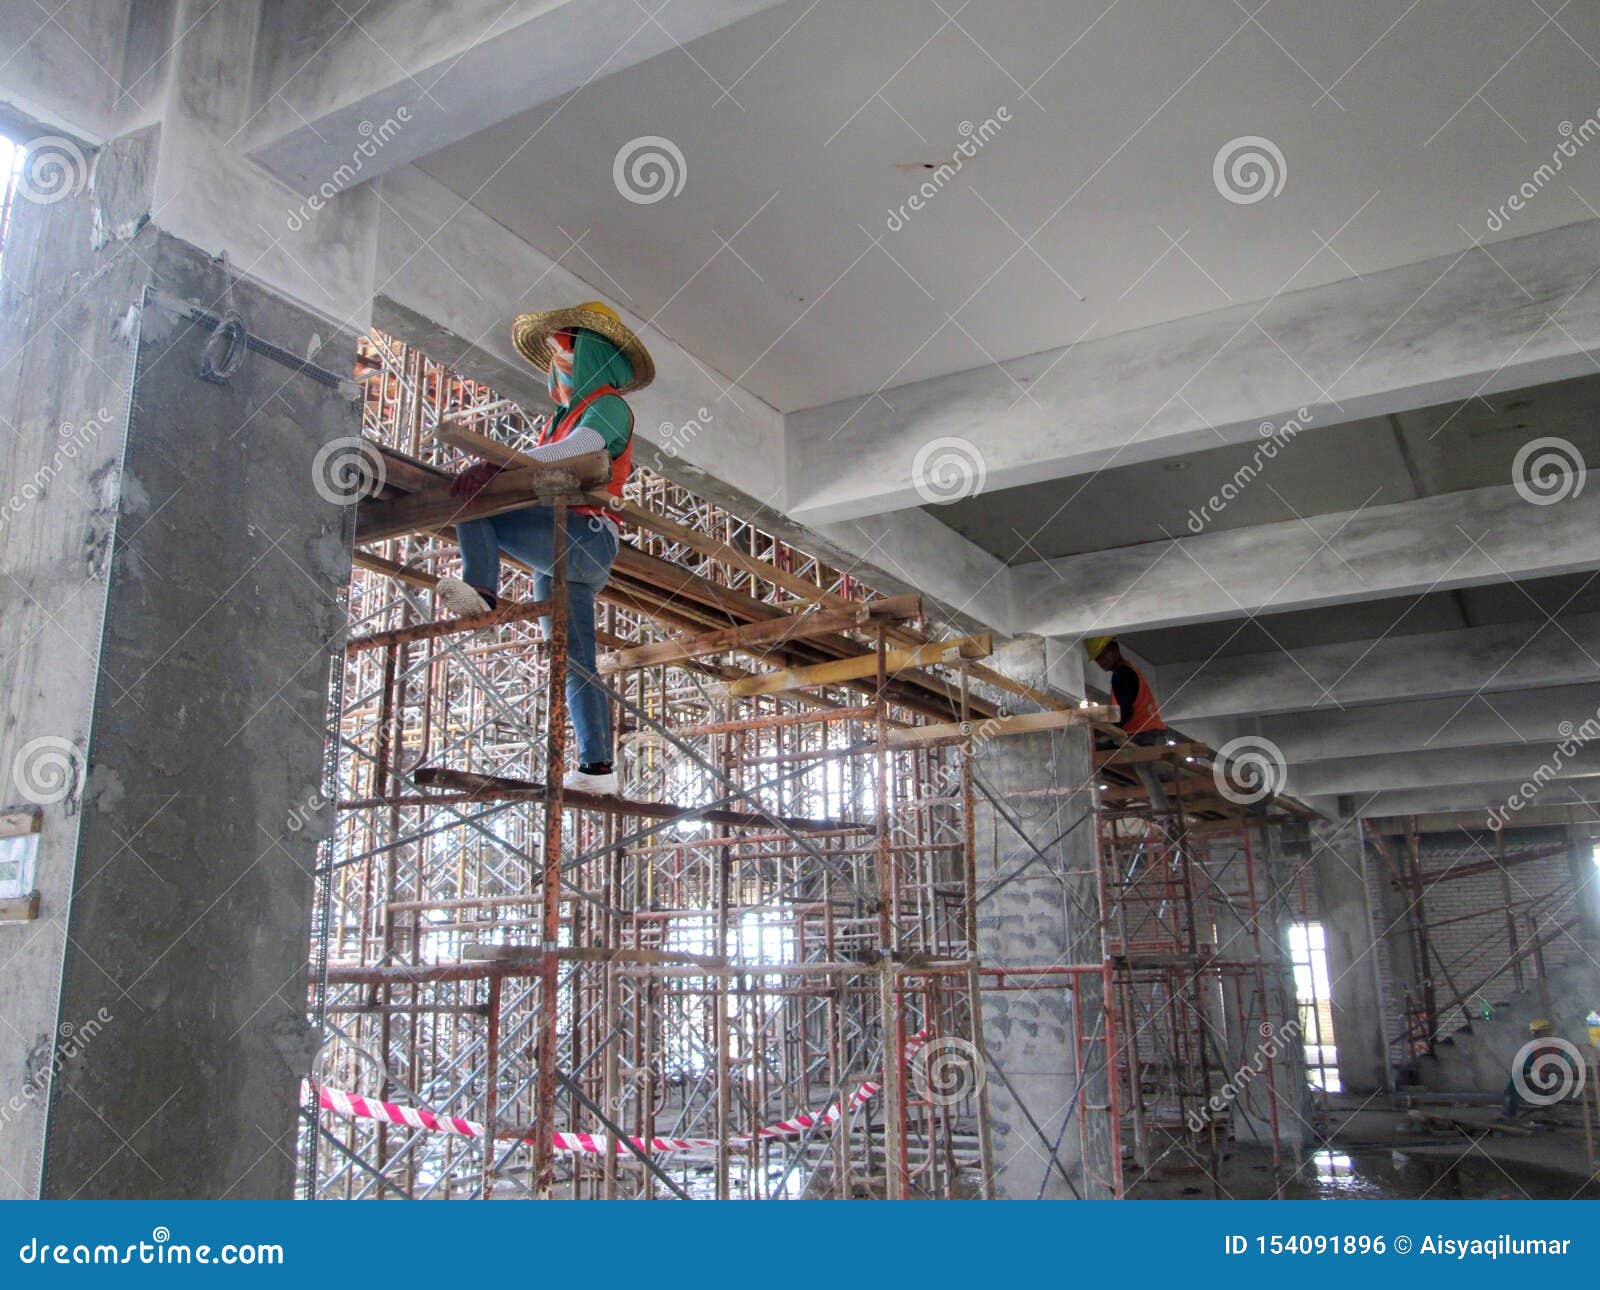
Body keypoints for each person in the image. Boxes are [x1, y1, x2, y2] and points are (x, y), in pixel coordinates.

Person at [434, 301, 654, 796]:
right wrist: (509, 467)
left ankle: (482, 594)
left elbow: (580, 448)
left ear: (592, 355)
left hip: (584, 536)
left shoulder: (608, 405)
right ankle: (598, 769)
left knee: (476, 500)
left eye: (565, 352)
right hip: (562, 550)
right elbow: (550, 457)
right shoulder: (559, 418)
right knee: (572, 661)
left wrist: (501, 465)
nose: (558, 364)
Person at [1084, 635, 1166, 746]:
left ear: (1114, 649)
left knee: (1098, 748)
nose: (1101, 662)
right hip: (1150, 732)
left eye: (1103, 655)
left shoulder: (1123, 674)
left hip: (1144, 734)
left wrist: (1101, 729)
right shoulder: (1127, 671)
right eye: (1097, 659)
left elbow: (1125, 712)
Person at [1501, 1018, 1564, 1119]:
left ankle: (1509, 1112)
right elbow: (1528, 1066)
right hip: (1543, 1078)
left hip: (1547, 1079)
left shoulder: (1553, 1048)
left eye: (1541, 1033)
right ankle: (1509, 1110)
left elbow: (1558, 1066)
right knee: (1516, 1079)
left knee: (1515, 1083)